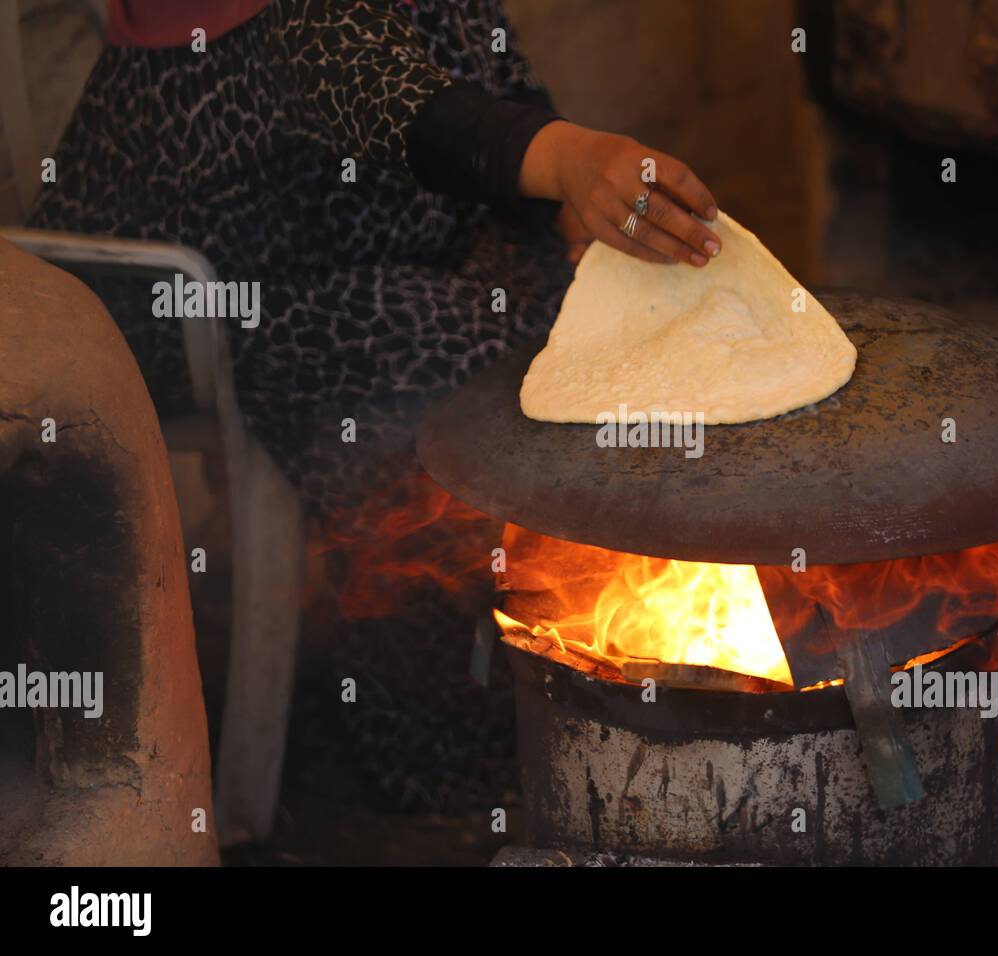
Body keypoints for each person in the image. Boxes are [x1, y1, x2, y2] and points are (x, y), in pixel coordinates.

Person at [30, 0, 721, 812]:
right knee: (441, 385)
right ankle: (445, 738)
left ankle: (596, 666)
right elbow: (384, 97)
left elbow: (502, 99)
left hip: (384, 256)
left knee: (580, 324)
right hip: (205, 295)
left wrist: (569, 202)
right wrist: (572, 158)